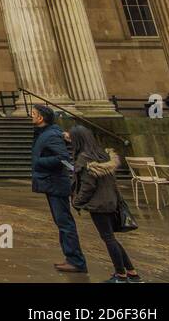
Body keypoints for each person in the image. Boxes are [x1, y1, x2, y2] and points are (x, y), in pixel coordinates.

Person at [70, 124, 141, 283]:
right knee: (111, 238)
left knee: (108, 239)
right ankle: (132, 273)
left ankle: (121, 275)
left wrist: (77, 201)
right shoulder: (102, 155)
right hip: (111, 201)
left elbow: (88, 186)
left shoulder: (84, 158)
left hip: (98, 204)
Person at [30, 105, 87, 274]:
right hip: (51, 183)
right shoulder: (45, 133)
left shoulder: (51, 134)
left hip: (56, 183)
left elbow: (63, 159)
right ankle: (71, 258)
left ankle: (76, 260)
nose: (31, 116)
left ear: (41, 118)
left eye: (33, 114)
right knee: (61, 222)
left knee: (64, 223)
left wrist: (39, 163)